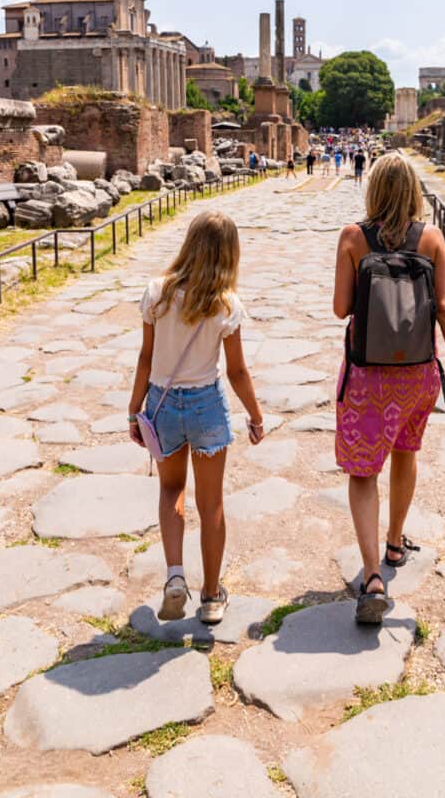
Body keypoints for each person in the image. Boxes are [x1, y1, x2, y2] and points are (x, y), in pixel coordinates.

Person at [333, 153, 445, 624]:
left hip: (368, 373)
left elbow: (340, 308)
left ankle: (372, 576)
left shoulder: (354, 237)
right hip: (418, 374)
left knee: (362, 470)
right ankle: (395, 544)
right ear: (414, 190)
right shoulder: (431, 238)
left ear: (373, 188)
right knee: (405, 452)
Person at [128, 210, 264, 624]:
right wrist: (256, 416)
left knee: (171, 491)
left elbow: (146, 358)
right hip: (206, 404)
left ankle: (174, 575)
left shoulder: (158, 293)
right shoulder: (226, 304)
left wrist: (135, 410)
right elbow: (238, 371)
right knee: (211, 504)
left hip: (163, 404)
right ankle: (210, 597)